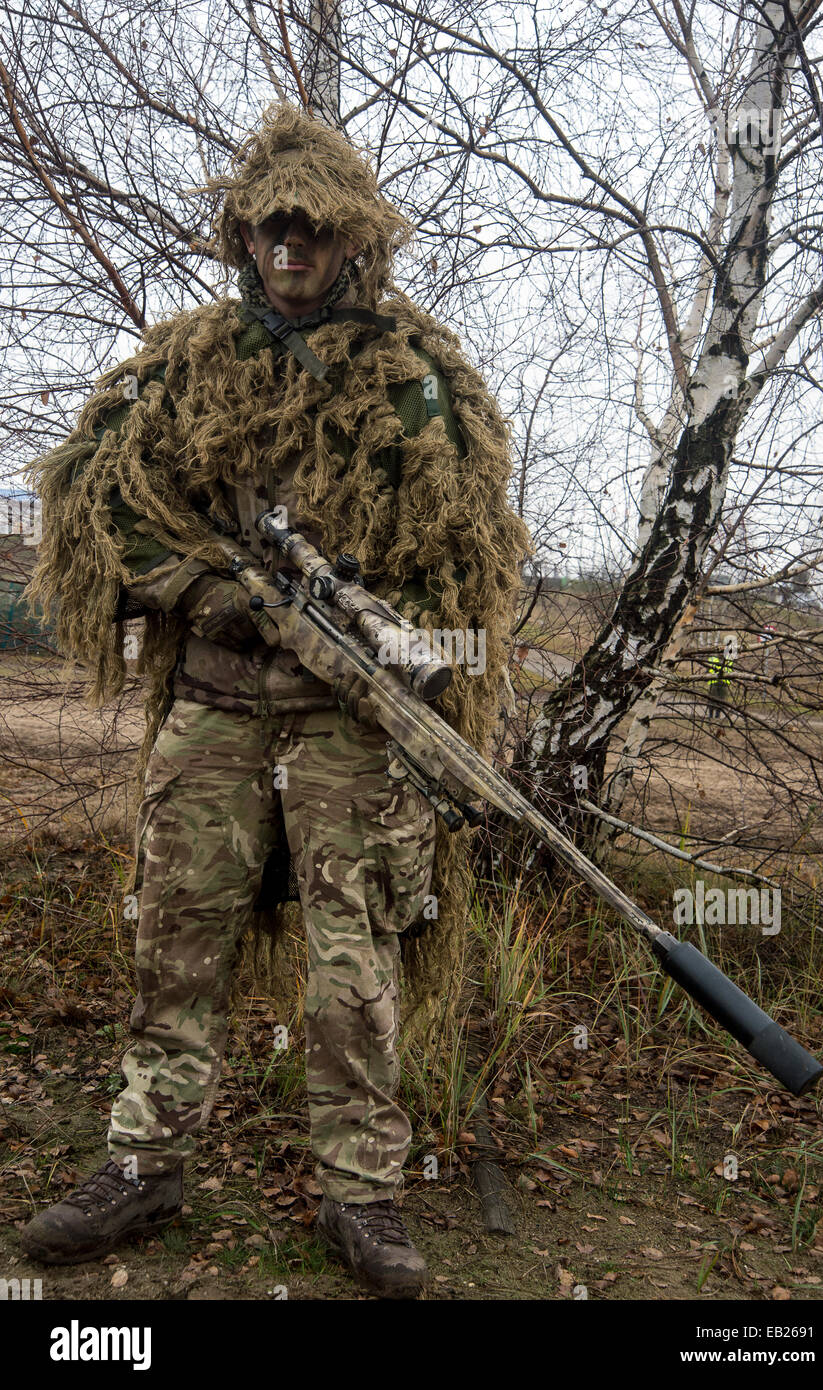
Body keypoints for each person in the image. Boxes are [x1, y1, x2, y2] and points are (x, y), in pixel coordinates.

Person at [21, 104, 531, 1299]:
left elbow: (460, 551)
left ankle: (362, 1193)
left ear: (352, 235)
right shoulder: (185, 363)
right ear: (242, 237)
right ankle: (144, 1162)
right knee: (175, 938)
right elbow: (100, 505)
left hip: (347, 719)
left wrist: (376, 634)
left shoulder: (414, 377)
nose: (288, 248)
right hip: (213, 701)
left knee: (353, 962)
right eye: (267, 228)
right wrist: (202, 586)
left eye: (309, 227)